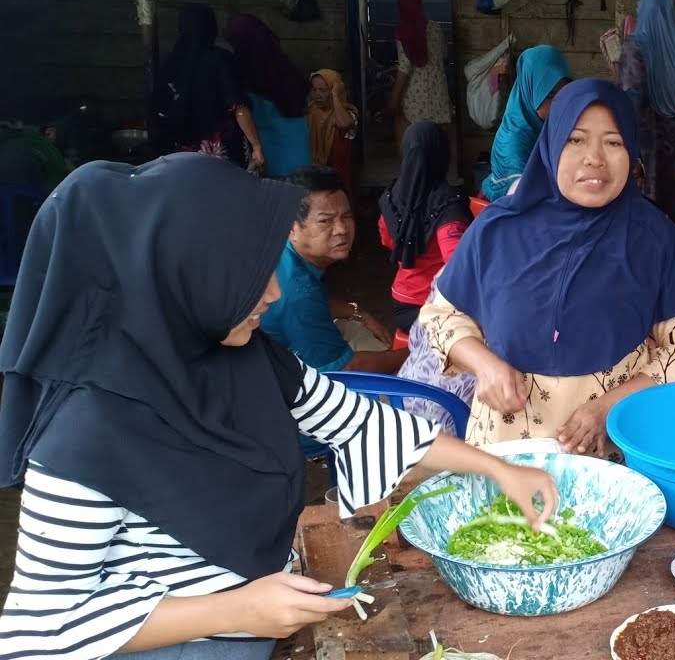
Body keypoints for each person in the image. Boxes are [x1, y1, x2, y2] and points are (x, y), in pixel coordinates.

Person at [0, 153, 557, 660]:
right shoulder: (81, 437)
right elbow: (46, 623)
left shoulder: (251, 360)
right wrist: (239, 609)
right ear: (182, 278)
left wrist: (497, 468)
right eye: (248, 278)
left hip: (263, 625)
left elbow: (366, 424)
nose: (272, 294)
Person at [425, 79, 675, 454]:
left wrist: (607, 408)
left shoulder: (654, 239)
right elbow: (442, 317)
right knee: (502, 515)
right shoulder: (497, 229)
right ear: (550, 145)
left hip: (609, 450)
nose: (594, 157)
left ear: (632, 153)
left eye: (613, 142)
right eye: (576, 140)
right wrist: (484, 364)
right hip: (505, 449)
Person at [261, 166, 408, 374]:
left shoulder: (282, 247)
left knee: (357, 328)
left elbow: (317, 301)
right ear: (292, 227)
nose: (341, 230)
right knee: (408, 388)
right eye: (325, 221)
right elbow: (348, 368)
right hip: (280, 385)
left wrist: (360, 313)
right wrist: (413, 354)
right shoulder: (298, 293)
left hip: (282, 352)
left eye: (346, 217)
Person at [379, 120, 472, 333]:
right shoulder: (448, 203)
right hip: (438, 307)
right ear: (442, 155)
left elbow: (387, 240)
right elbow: (457, 263)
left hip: (402, 305)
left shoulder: (391, 197)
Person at [151, 3, 265, 169]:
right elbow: (238, 106)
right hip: (219, 152)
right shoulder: (221, 61)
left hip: (179, 155)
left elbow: (159, 107)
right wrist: (257, 146)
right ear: (211, 27)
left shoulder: (170, 63)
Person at [619, 0, 675, 226]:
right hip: (669, 133)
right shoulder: (672, 46)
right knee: (666, 200)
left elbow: (631, 95)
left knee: (643, 201)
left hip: (643, 133)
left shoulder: (634, 45)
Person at [224, 13, 312, 178]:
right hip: (300, 155)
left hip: (270, 160)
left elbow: (242, 110)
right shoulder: (284, 66)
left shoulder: (244, 74)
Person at [480, 45, 572, 200]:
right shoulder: (513, 143)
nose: (561, 103)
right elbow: (523, 202)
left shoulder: (551, 124)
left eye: (566, 94)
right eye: (550, 95)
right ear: (530, 92)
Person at [387, 0, 454, 151]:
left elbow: (404, 67)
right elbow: (444, 54)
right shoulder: (436, 28)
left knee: (414, 144)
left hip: (415, 98)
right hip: (438, 94)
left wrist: (394, 98)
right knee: (437, 145)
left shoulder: (403, 32)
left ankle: (414, 172)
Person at [307, 69, 359, 193]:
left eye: (323, 90)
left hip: (337, 174)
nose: (317, 95)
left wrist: (336, 95)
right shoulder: (311, 110)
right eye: (314, 90)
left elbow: (344, 123)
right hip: (313, 173)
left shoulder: (347, 112)